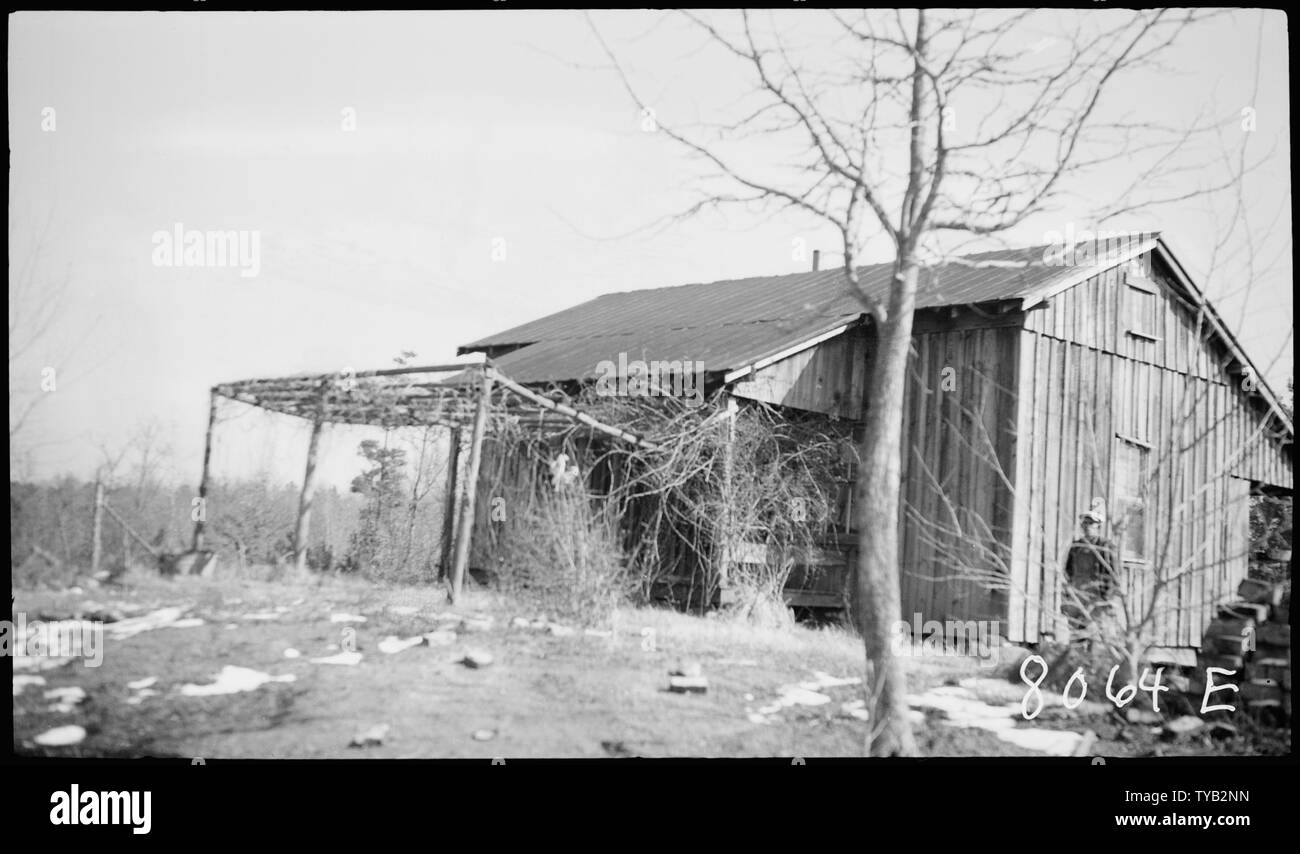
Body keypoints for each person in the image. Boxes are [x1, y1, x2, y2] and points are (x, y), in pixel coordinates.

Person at [1062, 510, 1118, 644]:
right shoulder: (1076, 547)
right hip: (1078, 595)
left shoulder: (1105, 546)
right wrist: (1068, 595)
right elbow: (1068, 572)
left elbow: (1113, 573)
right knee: (1076, 633)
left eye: (1091, 524)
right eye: (1085, 523)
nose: (1087, 527)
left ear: (1098, 526)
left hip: (1097, 597)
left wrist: (1106, 598)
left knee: (1097, 634)